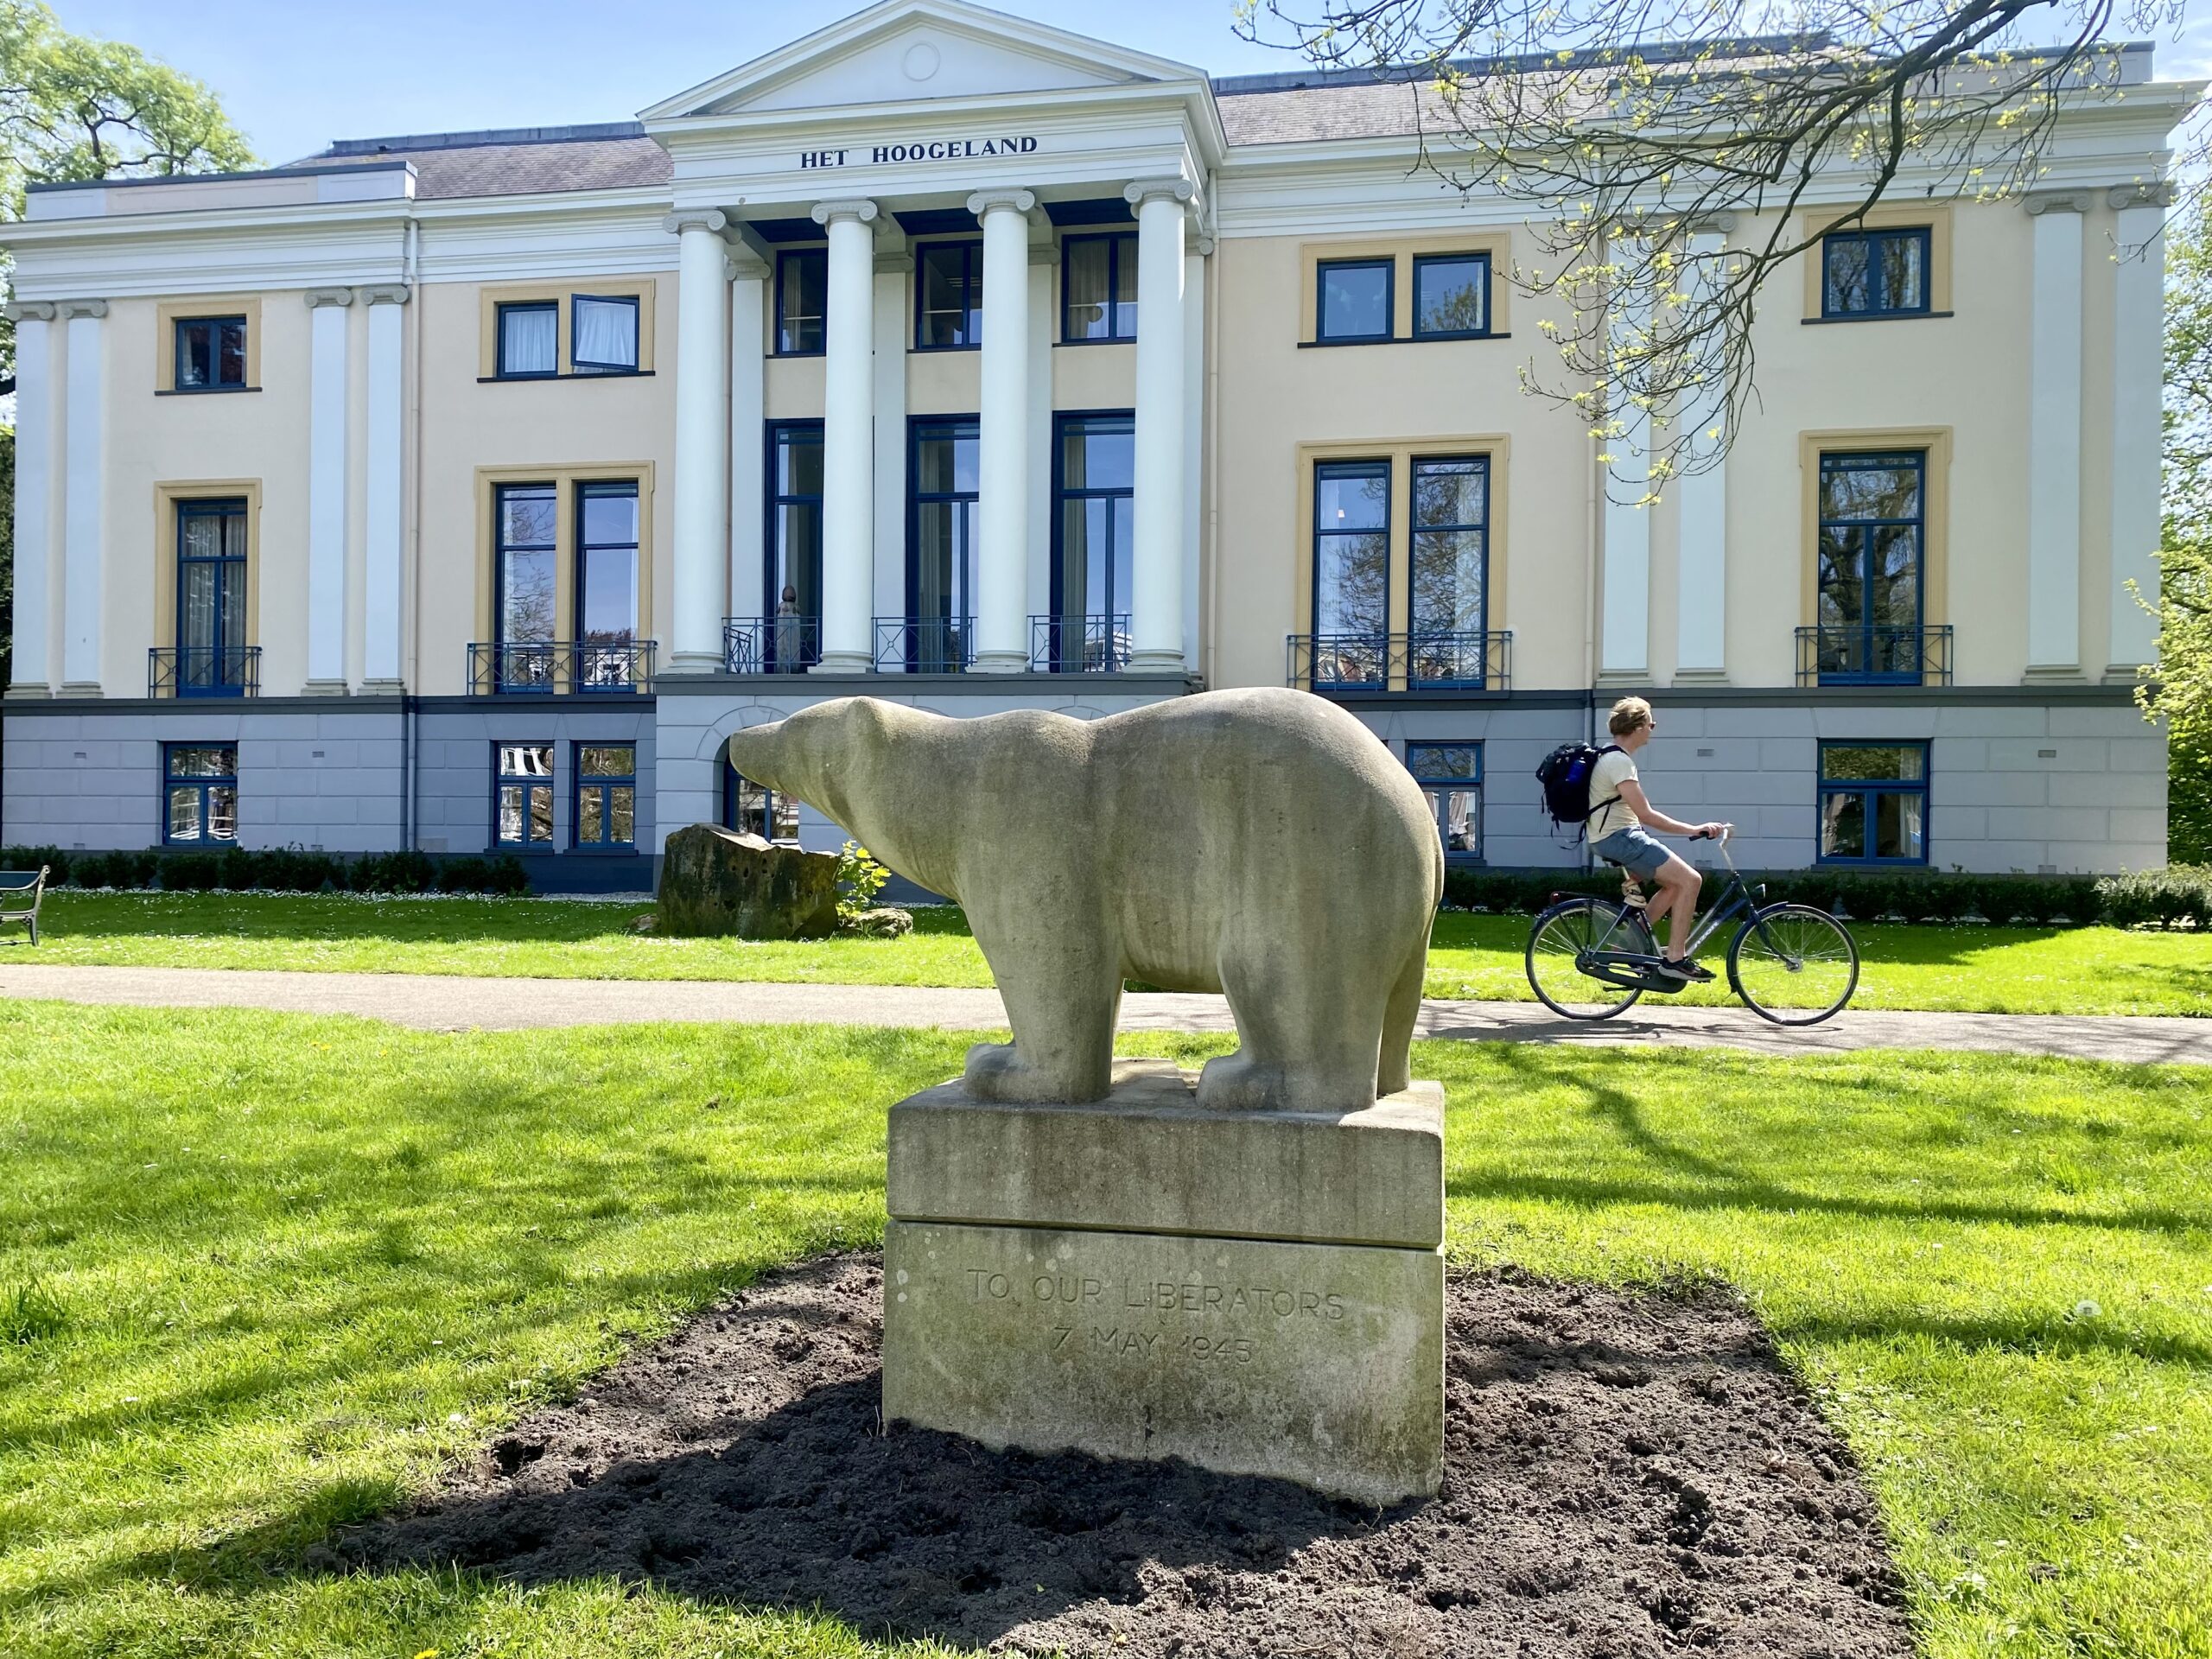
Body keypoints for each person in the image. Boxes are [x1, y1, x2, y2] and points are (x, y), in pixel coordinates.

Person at [1586, 696, 1727, 981]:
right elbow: (1645, 814)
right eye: (1650, 722)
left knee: (1675, 887)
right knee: (1691, 880)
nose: (1653, 727)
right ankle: (1675, 958)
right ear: (1637, 727)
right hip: (1620, 838)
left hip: (1617, 836)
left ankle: (1625, 949)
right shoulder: (1618, 761)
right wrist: (1693, 829)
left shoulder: (1611, 756)